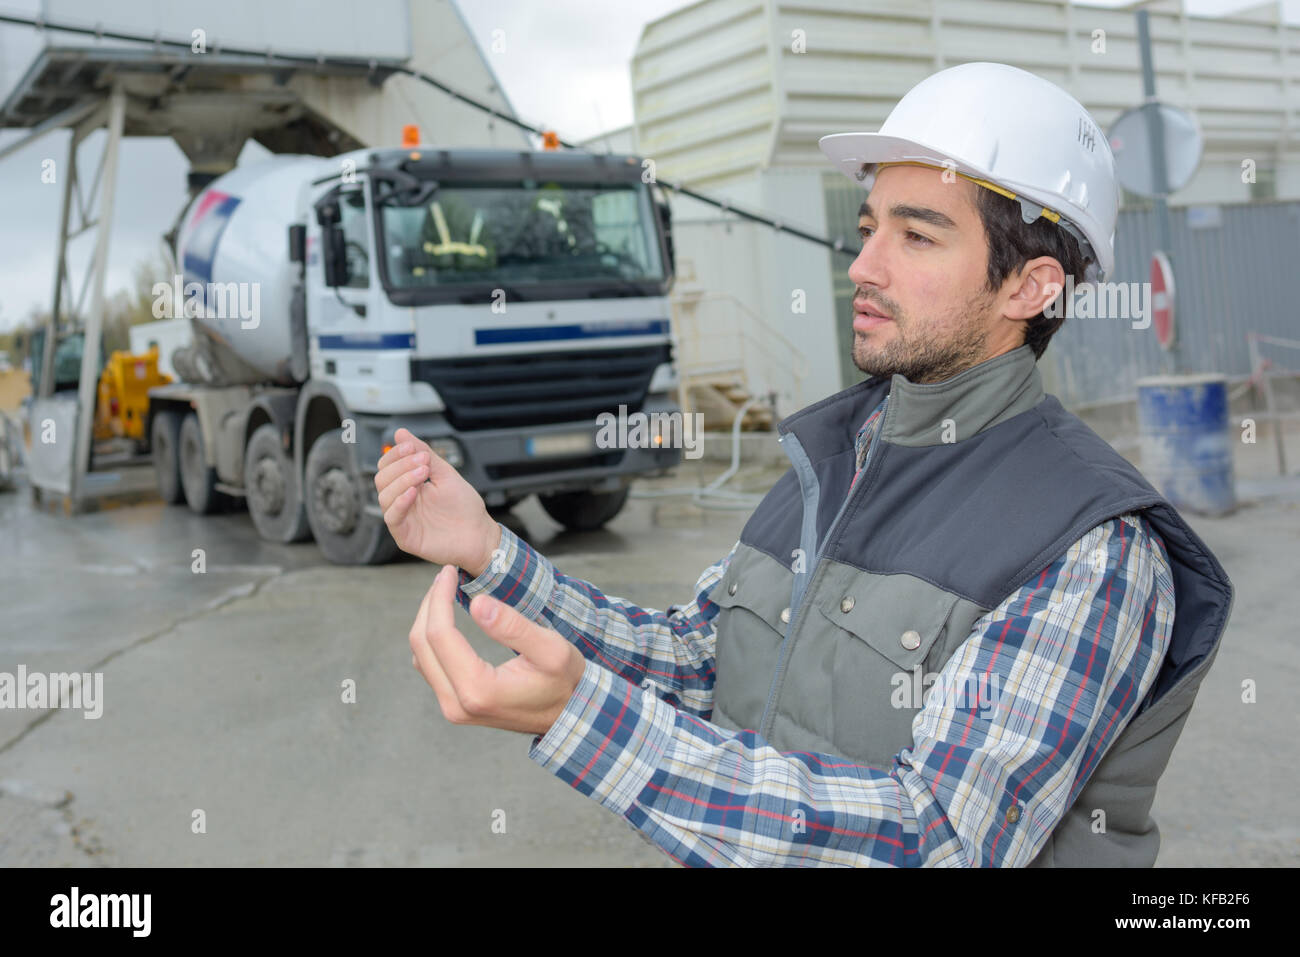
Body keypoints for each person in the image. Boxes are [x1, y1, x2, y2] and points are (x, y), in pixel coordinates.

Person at [374, 62, 1234, 867]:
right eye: (868, 229)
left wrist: (584, 719)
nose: (862, 265)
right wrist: (491, 552)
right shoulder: (838, 455)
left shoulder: (1089, 544)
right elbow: (701, 662)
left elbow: (937, 835)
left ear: (1029, 288)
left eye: (918, 236)